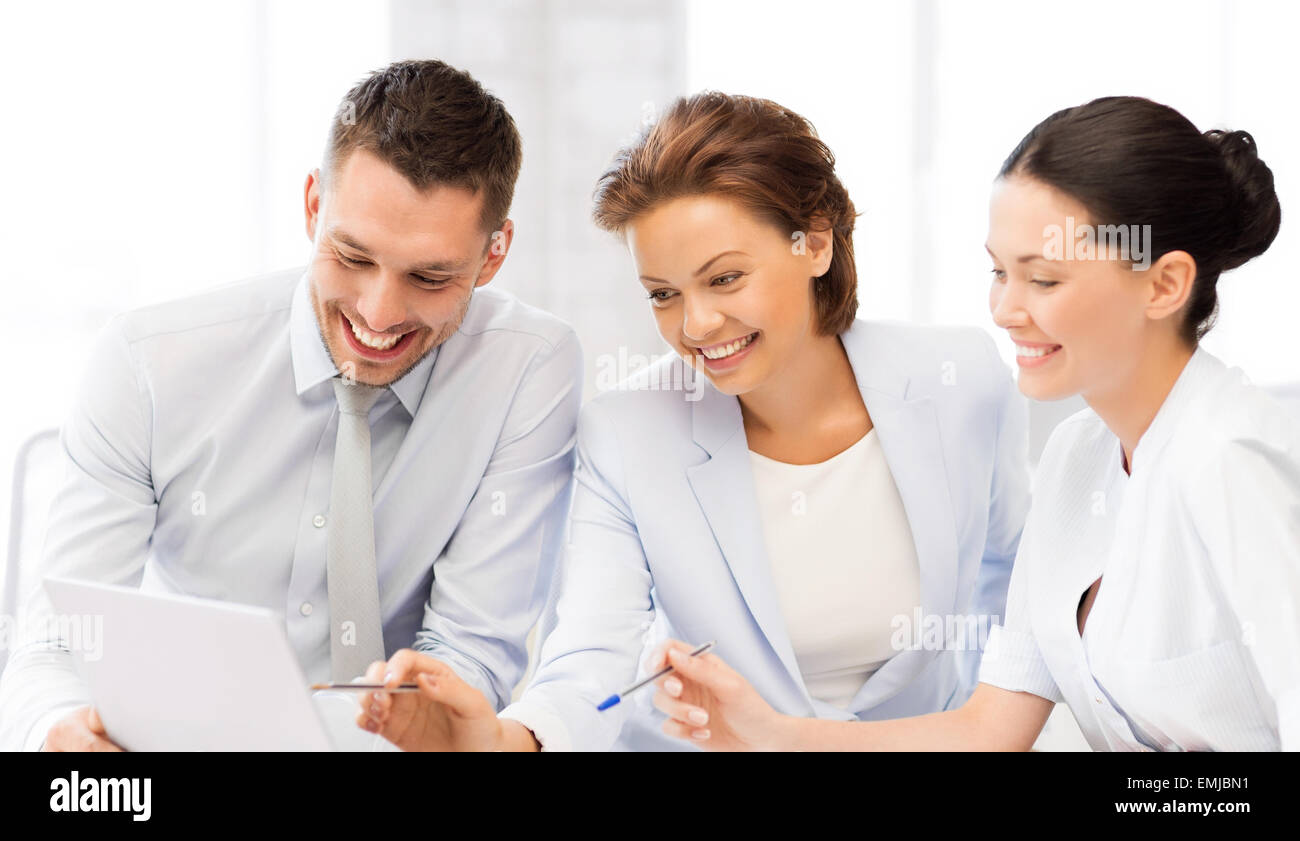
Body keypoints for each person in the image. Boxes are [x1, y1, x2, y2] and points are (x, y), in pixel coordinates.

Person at [354, 91, 1031, 751]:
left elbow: (1016, 589)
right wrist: (506, 740)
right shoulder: (627, 435)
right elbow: (593, 654)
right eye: (664, 295)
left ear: (815, 243)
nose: (697, 325)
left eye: (727, 278)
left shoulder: (960, 379)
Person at [651, 95, 1300, 751]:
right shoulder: (1079, 457)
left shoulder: (1231, 457)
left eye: (1043, 280)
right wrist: (773, 733)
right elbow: (990, 728)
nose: (1005, 309)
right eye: (999, 271)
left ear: (1164, 286)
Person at [0, 59, 582, 751]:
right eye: (352, 255)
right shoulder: (148, 363)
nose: (379, 312)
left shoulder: (528, 369)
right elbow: (57, 639)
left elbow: (470, 652)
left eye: (430, 275)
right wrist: (56, 732)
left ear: (492, 256)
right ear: (313, 206)